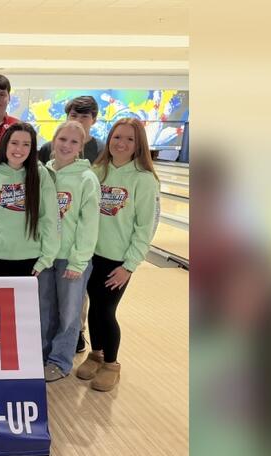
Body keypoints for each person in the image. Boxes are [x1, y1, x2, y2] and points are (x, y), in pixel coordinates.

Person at [75, 118, 160, 392]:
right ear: (108, 140)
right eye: (116, 137)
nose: (121, 144)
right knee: (92, 309)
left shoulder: (144, 180)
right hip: (90, 255)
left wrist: (130, 265)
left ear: (138, 145)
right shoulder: (97, 171)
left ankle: (111, 363)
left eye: (129, 139)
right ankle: (96, 353)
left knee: (106, 310)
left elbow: (145, 228)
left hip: (118, 261)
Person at [38, 96, 105, 354]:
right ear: (54, 142)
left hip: (70, 257)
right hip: (45, 256)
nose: (67, 145)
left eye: (74, 142)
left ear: (81, 146)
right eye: (62, 139)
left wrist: (79, 261)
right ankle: (44, 354)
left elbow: (89, 224)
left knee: (69, 312)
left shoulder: (87, 178)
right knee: (45, 308)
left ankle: (61, 359)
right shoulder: (45, 172)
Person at [0, 122, 59, 277]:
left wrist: (46, 258)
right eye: (14, 143)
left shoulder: (40, 175)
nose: (19, 149)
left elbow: (50, 217)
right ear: (5, 144)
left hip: (31, 260)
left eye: (26, 144)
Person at [37, 95, 105, 164]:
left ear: (94, 120)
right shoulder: (47, 148)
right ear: (67, 118)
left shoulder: (101, 149)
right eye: (74, 115)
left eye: (84, 116)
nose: (78, 120)